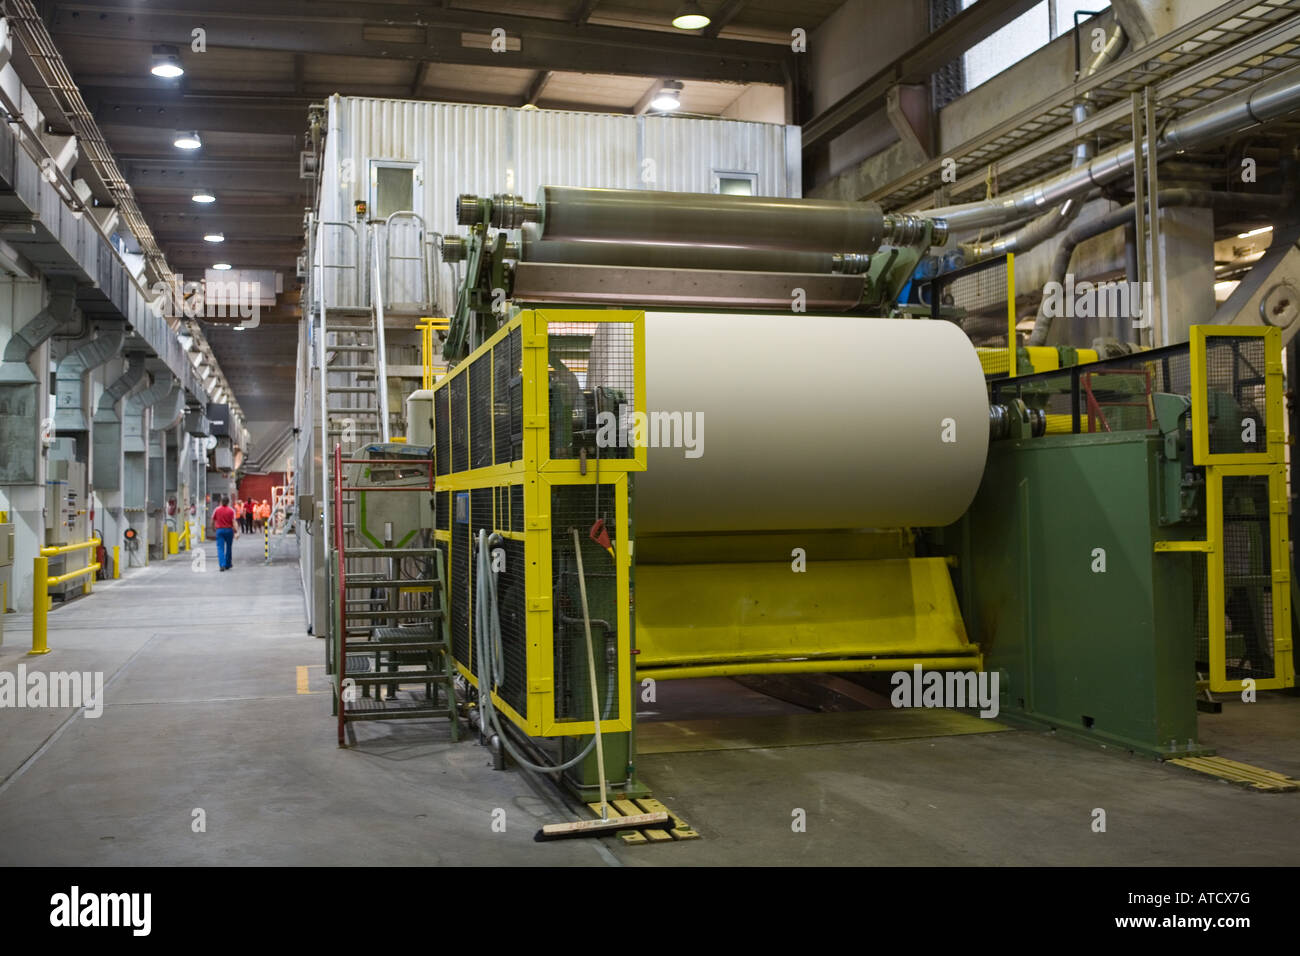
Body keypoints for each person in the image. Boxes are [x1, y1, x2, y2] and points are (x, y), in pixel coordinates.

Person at [213, 495, 237, 571]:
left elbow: (212, 520)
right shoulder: (231, 510)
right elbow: (233, 521)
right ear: (228, 502)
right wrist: (236, 530)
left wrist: (213, 528)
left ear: (221, 502)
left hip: (219, 530)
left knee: (220, 548)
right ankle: (228, 564)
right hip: (229, 530)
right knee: (229, 547)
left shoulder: (216, 510)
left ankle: (222, 565)